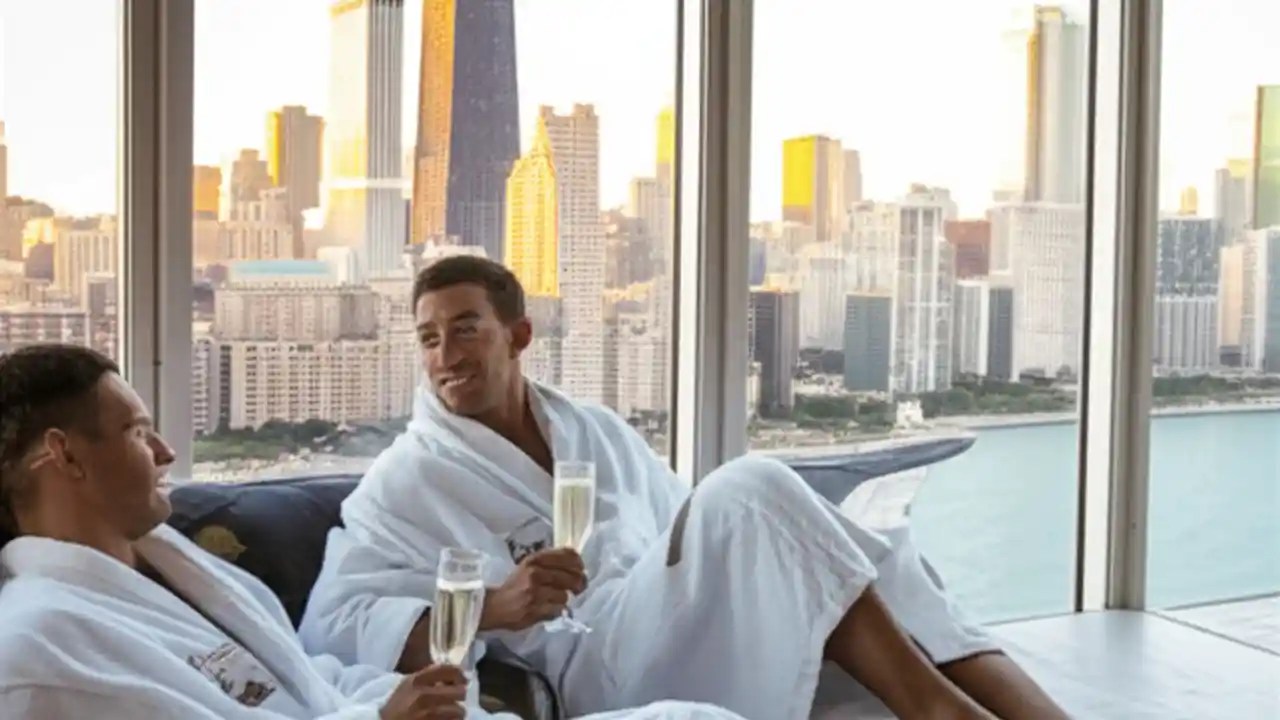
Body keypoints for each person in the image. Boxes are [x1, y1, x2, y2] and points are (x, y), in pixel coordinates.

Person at [298, 257, 1068, 720]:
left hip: (670, 626)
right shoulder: (405, 480)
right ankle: (936, 710)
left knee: (874, 551)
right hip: (602, 670)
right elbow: (331, 626)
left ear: (519, 335)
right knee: (753, 486)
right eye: (429, 338)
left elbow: (682, 531)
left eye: (466, 328)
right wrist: (492, 608)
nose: (445, 355)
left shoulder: (593, 429)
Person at [0, 344, 748, 720]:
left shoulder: (185, 573)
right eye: (137, 432)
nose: (166, 453)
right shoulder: (42, 647)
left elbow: (309, 682)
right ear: (64, 456)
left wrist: (402, 695)